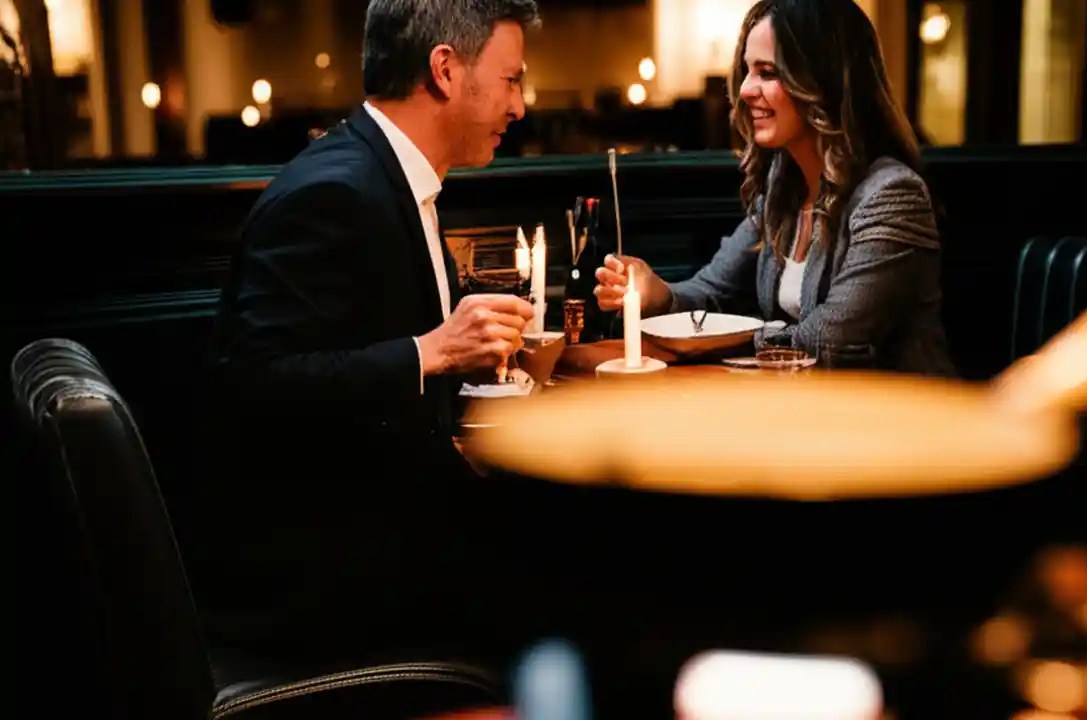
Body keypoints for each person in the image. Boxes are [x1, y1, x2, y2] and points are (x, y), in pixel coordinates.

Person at [190, 0, 540, 672]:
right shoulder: (336, 192)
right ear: (444, 70)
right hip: (319, 589)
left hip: (367, 539)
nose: (519, 106)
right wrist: (433, 350)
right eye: (510, 80)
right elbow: (252, 382)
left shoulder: (389, 176)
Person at [595, 0, 954, 375]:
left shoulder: (891, 194)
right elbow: (711, 291)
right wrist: (657, 294)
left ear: (822, 80)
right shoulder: (783, 189)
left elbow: (833, 340)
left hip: (900, 421)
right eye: (747, 71)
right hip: (810, 414)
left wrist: (715, 344)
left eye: (767, 72)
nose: (747, 89)